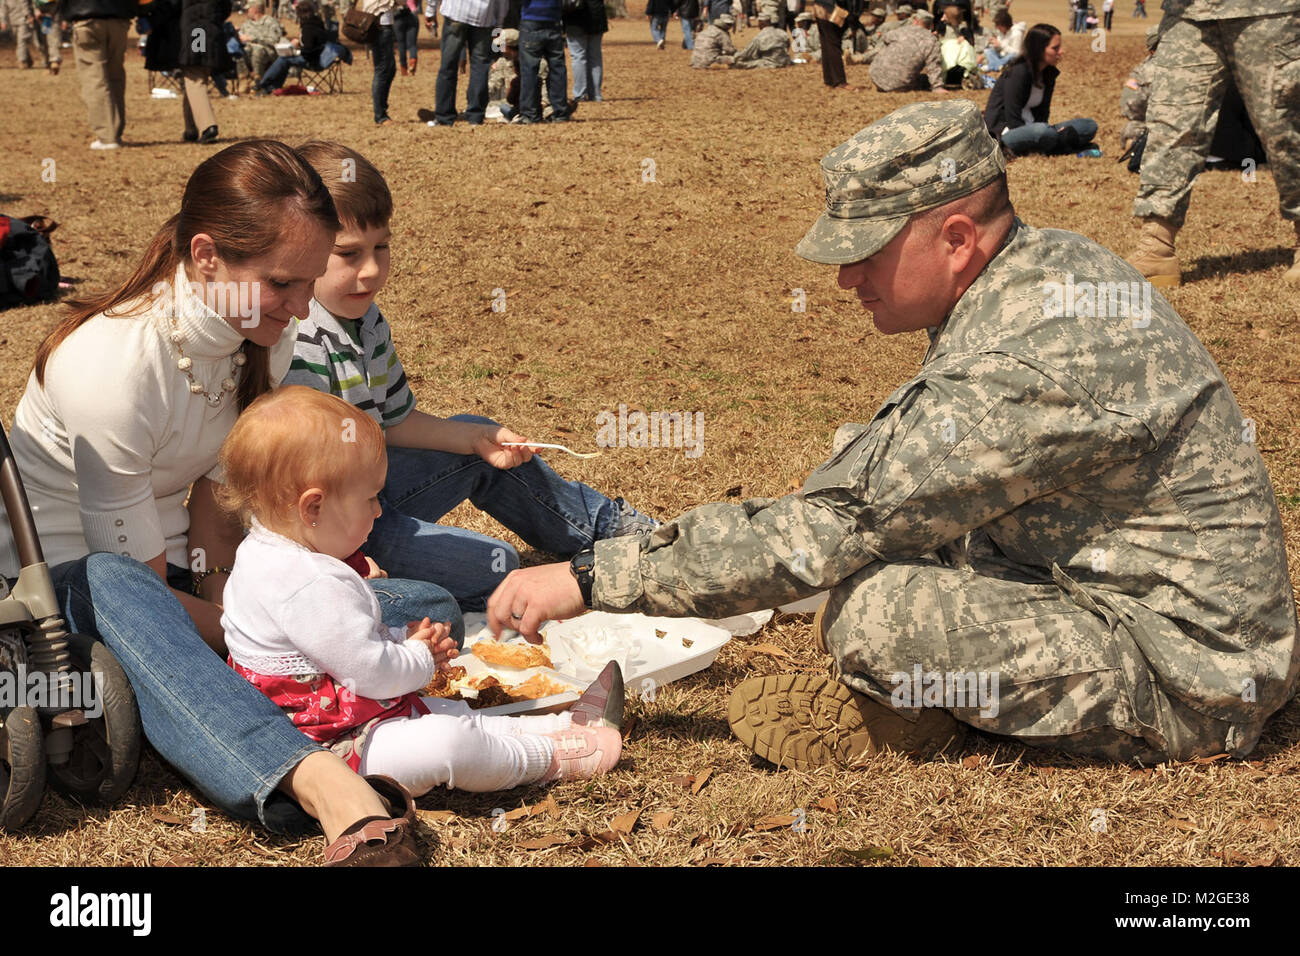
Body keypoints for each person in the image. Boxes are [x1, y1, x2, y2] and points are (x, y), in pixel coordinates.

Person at [485, 98, 1300, 771]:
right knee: (866, 497)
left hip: (1189, 677)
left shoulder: (1027, 358)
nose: (846, 278)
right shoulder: (1045, 267)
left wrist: (594, 578)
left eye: (867, 252)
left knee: (877, 612)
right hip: (1136, 602)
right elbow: (886, 481)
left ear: (955, 239)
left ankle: (949, 725)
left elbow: (842, 520)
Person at [2, 140, 453, 865]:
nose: (305, 307)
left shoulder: (261, 332)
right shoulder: (110, 365)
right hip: (72, 595)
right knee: (120, 585)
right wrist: (259, 631)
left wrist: (257, 600)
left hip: (182, 581)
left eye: (309, 281)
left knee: (426, 606)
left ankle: (269, 697)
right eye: (283, 283)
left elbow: (223, 492)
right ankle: (320, 782)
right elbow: (137, 582)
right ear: (207, 255)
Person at [285, 142, 656, 608]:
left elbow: (395, 422)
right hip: (323, 527)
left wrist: (478, 439)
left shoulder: (367, 319)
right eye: (349, 254)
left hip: (367, 494)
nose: (373, 270)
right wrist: (352, 555)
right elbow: (291, 489)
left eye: (381, 247)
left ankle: (620, 535)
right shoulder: (292, 337)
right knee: (498, 565)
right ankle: (363, 589)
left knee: (476, 435)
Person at [217, 386, 626, 795]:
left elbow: (338, 646)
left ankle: (556, 726)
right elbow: (371, 674)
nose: (379, 510)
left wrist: (399, 638)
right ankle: (547, 757)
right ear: (313, 508)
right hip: (325, 751)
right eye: (371, 498)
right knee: (446, 744)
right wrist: (418, 656)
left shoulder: (262, 550)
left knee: (443, 711)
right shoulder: (310, 585)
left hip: (331, 717)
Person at [1127, 1, 1300, 289]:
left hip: (1268, 11)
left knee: (1283, 125)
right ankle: (1156, 245)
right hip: (1187, 12)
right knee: (1171, 121)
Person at [983, 22, 1096, 156]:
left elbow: (1043, 114)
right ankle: (1063, 145)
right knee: (1043, 132)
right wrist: (1041, 135)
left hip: (1036, 129)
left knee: (1089, 125)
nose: (1061, 52)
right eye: (1055, 48)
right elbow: (1012, 119)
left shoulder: (1049, 74)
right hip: (1006, 134)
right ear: (1039, 50)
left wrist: (1047, 135)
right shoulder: (1019, 73)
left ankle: (1054, 143)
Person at [64, 0, 132, 149]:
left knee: (94, 78)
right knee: (115, 76)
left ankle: (107, 136)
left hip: (86, 20)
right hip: (119, 20)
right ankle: (116, 132)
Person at [428, 0, 506, 125]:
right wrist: (499, 24)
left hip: (456, 13)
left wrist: (430, 11)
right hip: (483, 18)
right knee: (480, 67)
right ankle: (475, 116)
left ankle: (444, 116)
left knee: (448, 66)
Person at [255, 0, 326, 95]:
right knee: (285, 59)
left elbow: (308, 49)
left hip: (312, 60)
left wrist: (297, 52)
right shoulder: (317, 23)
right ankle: (274, 86)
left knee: (284, 59)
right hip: (317, 56)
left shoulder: (308, 28)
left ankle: (263, 84)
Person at [868, 8, 943, 91]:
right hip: (899, 84)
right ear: (931, 25)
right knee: (924, 79)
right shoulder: (931, 40)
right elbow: (934, 65)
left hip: (876, 76)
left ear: (915, 21)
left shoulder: (901, 30)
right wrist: (937, 87)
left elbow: (886, 38)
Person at [564, 0, 605, 101]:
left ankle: (580, 94)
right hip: (597, 16)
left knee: (578, 57)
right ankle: (595, 94)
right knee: (595, 57)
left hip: (575, 18)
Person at [812, 0, 857, 89]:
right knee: (833, 45)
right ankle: (840, 81)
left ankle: (829, 80)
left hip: (820, 7)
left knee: (826, 44)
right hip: (831, 9)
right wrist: (852, 22)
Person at [237, 0, 285, 84]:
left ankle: (258, 80)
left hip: (268, 52)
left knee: (257, 49)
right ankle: (244, 79)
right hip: (249, 52)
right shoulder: (246, 24)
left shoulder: (270, 22)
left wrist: (253, 39)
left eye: (248, 9)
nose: (247, 12)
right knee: (238, 51)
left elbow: (274, 41)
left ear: (255, 9)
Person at [731, 4, 791, 68]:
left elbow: (747, 53)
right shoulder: (782, 33)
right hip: (785, 61)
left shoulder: (760, 37)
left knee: (740, 63)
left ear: (761, 23)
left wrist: (734, 58)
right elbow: (787, 45)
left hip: (770, 63)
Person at [978, 8, 1023, 73]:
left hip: (1011, 57)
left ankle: (991, 67)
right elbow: (999, 49)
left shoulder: (1017, 33)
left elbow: (1017, 53)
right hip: (1002, 57)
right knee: (988, 51)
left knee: (1011, 56)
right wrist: (995, 45)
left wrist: (1001, 44)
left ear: (1005, 24)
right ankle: (998, 66)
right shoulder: (1001, 32)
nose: (997, 28)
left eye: (999, 26)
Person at [394, 0, 419, 75]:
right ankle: (413, 61)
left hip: (398, 16)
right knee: (412, 44)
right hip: (412, 13)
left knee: (401, 45)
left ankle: (403, 69)